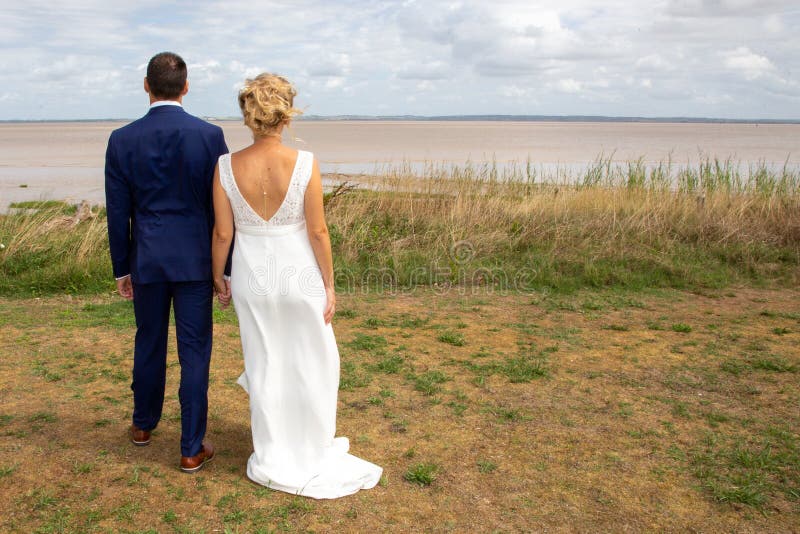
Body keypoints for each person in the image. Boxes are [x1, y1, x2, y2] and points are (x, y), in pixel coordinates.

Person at [211, 73, 382, 498]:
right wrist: (329, 282)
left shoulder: (225, 166)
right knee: (315, 358)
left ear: (248, 116)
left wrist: (219, 277)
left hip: (251, 275)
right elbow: (319, 232)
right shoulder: (305, 163)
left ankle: (273, 450)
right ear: (285, 115)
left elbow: (222, 235)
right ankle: (309, 445)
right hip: (298, 273)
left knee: (264, 359)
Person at [105, 51, 229, 472]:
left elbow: (117, 210)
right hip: (196, 260)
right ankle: (191, 447)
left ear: (146, 85)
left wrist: (122, 266)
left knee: (149, 340)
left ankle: (143, 425)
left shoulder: (122, 139)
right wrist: (222, 268)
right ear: (186, 86)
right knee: (194, 353)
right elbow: (221, 211)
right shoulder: (209, 137)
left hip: (148, 258)